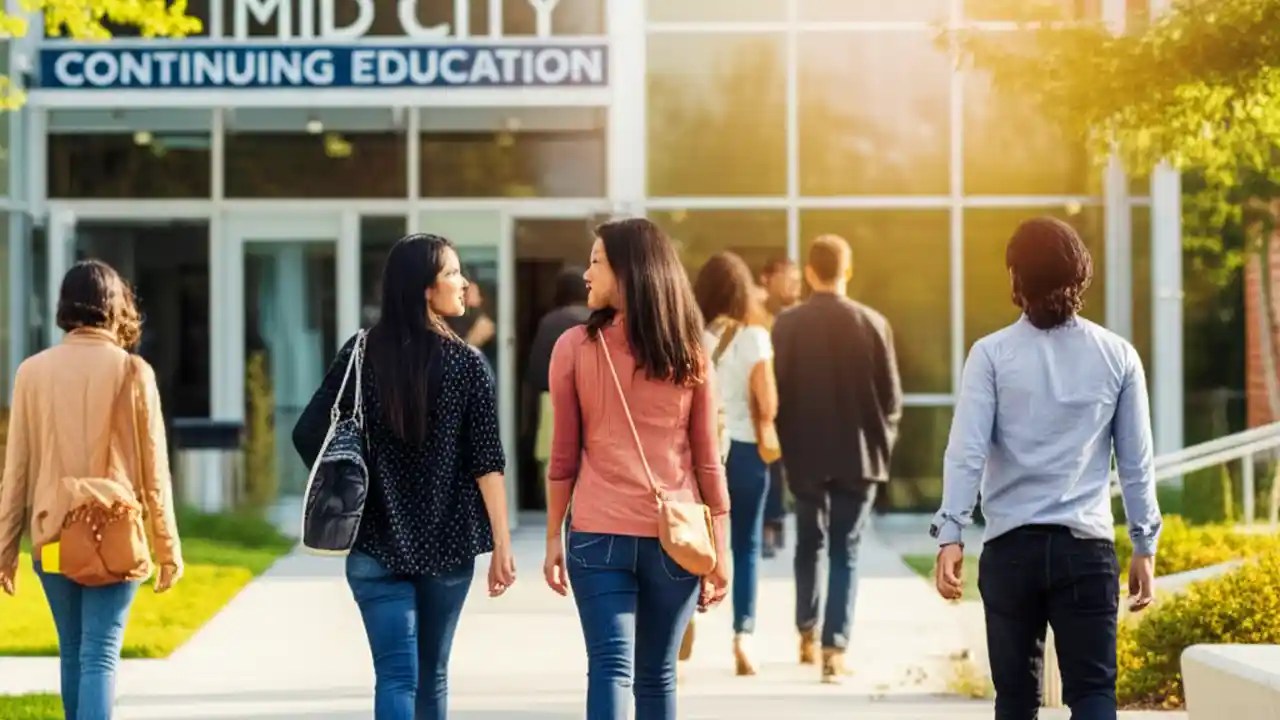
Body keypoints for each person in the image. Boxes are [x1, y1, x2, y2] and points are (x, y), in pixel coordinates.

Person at [930, 217, 1162, 720]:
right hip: (1086, 552)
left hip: (1011, 552)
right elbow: (1136, 463)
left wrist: (951, 534)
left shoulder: (991, 355)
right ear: (1081, 274)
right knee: (1094, 693)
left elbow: (966, 451)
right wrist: (1144, 545)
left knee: (1015, 700)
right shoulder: (1118, 355)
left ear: (1016, 278)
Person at [293, 234, 516, 720]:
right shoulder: (466, 364)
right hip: (447, 546)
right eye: (452, 273)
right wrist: (502, 543)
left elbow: (308, 432)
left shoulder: (360, 353)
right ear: (425, 289)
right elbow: (487, 462)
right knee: (431, 676)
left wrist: (354, 488)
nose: (464, 283)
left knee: (395, 677)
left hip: (374, 544)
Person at [542, 218, 731, 720]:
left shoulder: (573, 348)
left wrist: (554, 536)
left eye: (596, 262)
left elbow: (563, 458)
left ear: (628, 272)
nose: (586, 274)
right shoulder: (690, 352)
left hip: (597, 533)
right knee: (658, 674)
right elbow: (708, 460)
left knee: (609, 668)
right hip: (676, 536)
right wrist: (721, 549)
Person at [0, 259, 184, 720]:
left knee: (73, 649)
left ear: (65, 305)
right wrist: (167, 548)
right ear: (115, 305)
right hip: (117, 537)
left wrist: (5, 550)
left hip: (53, 540)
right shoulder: (135, 372)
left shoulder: (31, 372)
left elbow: (16, 471)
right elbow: (154, 473)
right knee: (100, 653)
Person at [772, 235, 902, 684]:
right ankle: (834, 647)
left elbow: (776, 392)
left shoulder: (787, 325)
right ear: (848, 271)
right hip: (859, 454)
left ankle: (806, 632)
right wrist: (882, 442)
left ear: (809, 273)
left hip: (804, 453)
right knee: (846, 548)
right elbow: (891, 399)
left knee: (809, 542)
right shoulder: (873, 323)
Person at [694, 251, 779, 676]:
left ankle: (687, 616)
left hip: (702, 454)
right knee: (745, 545)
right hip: (745, 450)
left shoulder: (693, 337)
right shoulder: (755, 337)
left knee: (694, 543)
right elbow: (768, 402)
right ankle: (743, 635)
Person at [524, 265, 591, 494]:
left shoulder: (550, 322)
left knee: (553, 462)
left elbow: (536, 370)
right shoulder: (599, 320)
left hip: (554, 402)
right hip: (593, 403)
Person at [758, 257, 801, 557]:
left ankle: (779, 521)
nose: (793, 284)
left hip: (797, 404)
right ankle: (770, 526)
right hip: (766, 402)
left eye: (796, 278)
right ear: (767, 279)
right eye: (787, 277)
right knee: (769, 466)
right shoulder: (756, 315)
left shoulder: (802, 316)